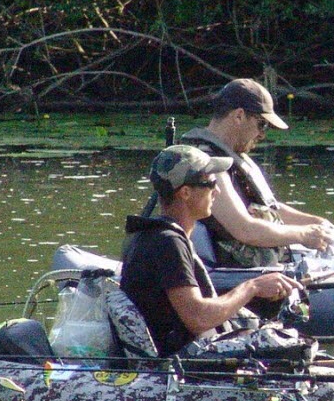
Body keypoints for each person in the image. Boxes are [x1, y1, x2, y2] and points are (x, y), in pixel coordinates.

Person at [120, 145, 302, 357]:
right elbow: (198, 318)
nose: (217, 191)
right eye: (211, 184)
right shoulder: (168, 243)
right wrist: (252, 287)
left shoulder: (149, 235)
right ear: (185, 193)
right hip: (183, 362)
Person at [180, 78, 334, 268]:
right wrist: (303, 234)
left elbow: (269, 208)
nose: (262, 134)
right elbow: (244, 229)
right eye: (262, 124)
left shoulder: (235, 156)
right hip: (230, 272)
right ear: (239, 116)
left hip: (263, 264)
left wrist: (317, 224)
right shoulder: (208, 164)